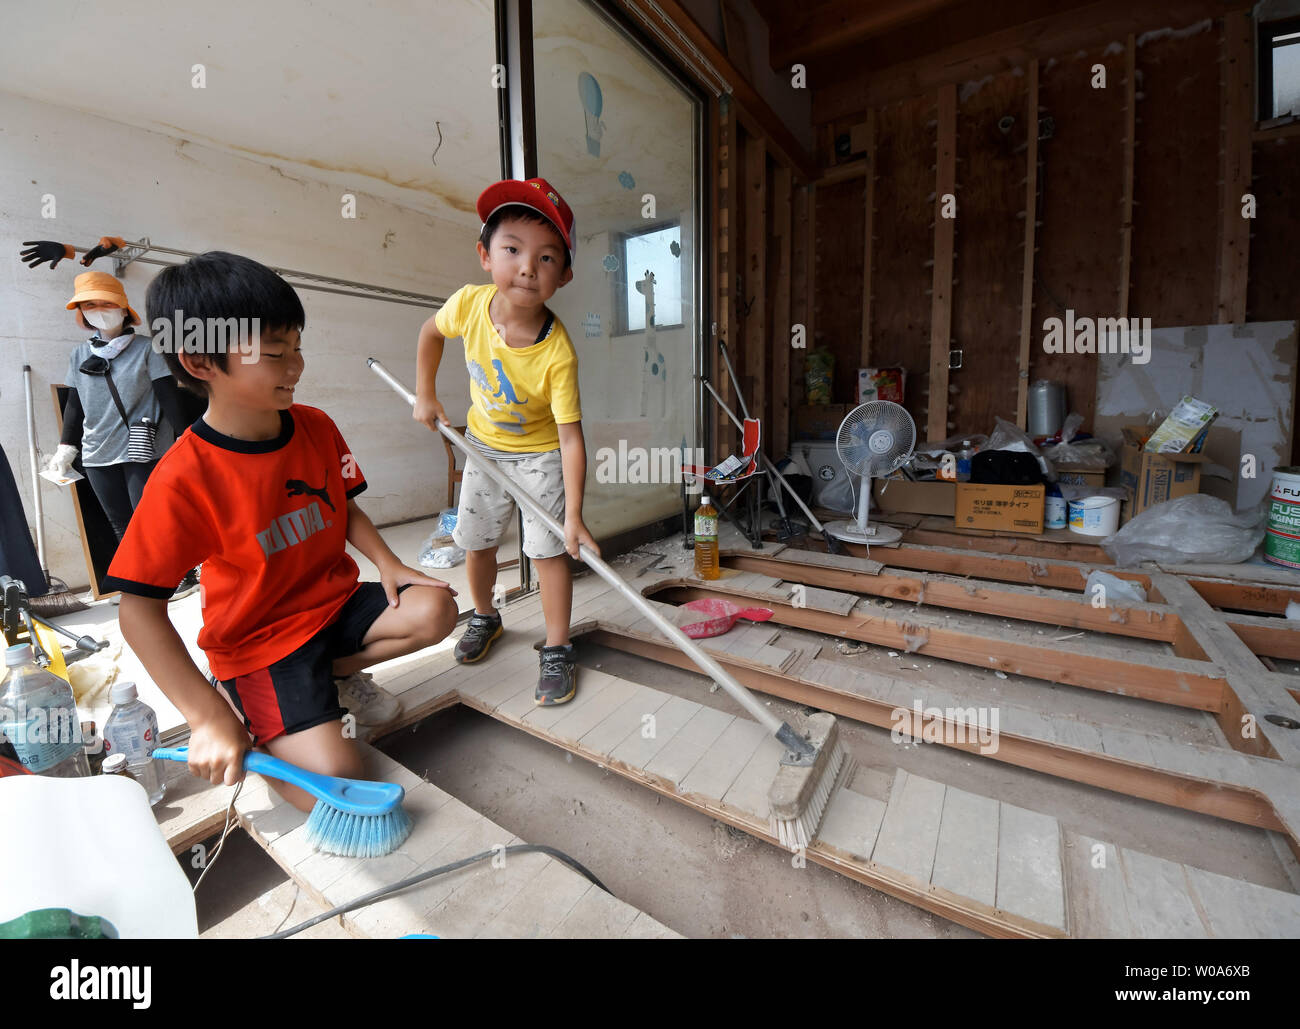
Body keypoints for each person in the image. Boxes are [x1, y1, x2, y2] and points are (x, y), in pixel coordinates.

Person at [103, 252, 458, 808]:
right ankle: (245, 696)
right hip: (260, 640)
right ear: (201, 363)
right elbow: (137, 609)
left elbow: (343, 506)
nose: (295, 367)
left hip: (330, 606)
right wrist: (207, 717)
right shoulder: (184, 478)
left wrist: (389, 563)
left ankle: (325, 684)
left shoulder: (315, 426)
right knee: (340, 790)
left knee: (435, 608)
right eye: (274, 354)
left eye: (296, 348)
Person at [413, 177, 598, 706]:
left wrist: (575, 516)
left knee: (548, 553)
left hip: (540, 455)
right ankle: (486, 616)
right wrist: (425, 394)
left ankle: (559, 647)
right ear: (485, 255)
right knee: (477, 541)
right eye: (513, 250)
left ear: (563, 275)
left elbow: (570, 439)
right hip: (484, 447)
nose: (526, 267)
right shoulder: (470, 305)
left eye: (546, 259)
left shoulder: (556, 352)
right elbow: (430, 332)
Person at [44, 273, 195, 591]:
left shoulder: (147, 349)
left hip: (143, 446)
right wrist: (66, 447)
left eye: (105, 303)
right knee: (120, 523)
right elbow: (75, 403)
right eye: (90, 305)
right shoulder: (79, 355)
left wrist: (185, 438)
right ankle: (145, 580)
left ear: (123, 308)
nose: (98, 309)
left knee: (151, 517)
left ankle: (178, 576)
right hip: (97, 449)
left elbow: (168, 393)